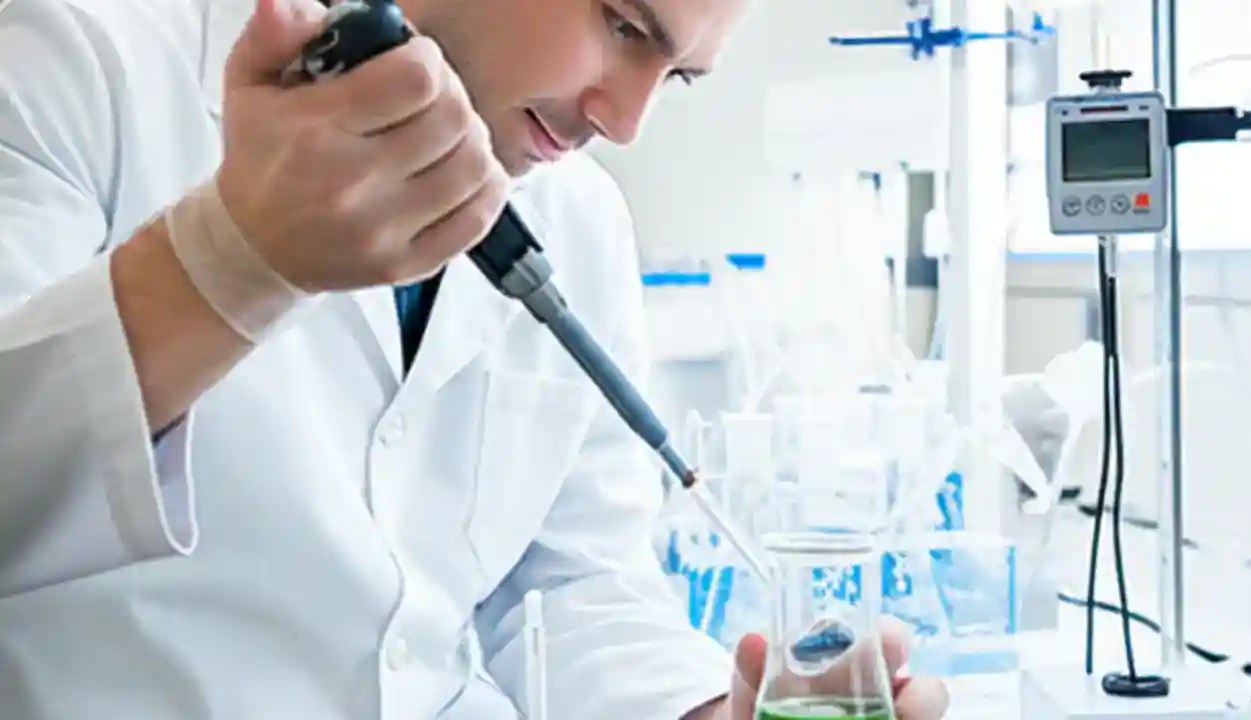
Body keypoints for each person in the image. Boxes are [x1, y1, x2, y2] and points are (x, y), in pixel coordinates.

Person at [0, 0, 949, 717]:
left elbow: (572, 581)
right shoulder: (72, 58)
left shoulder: (579, 219)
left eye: (681, 75)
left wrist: (705, 709)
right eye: (622, 25)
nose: (624, 121)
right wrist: (229, 262)